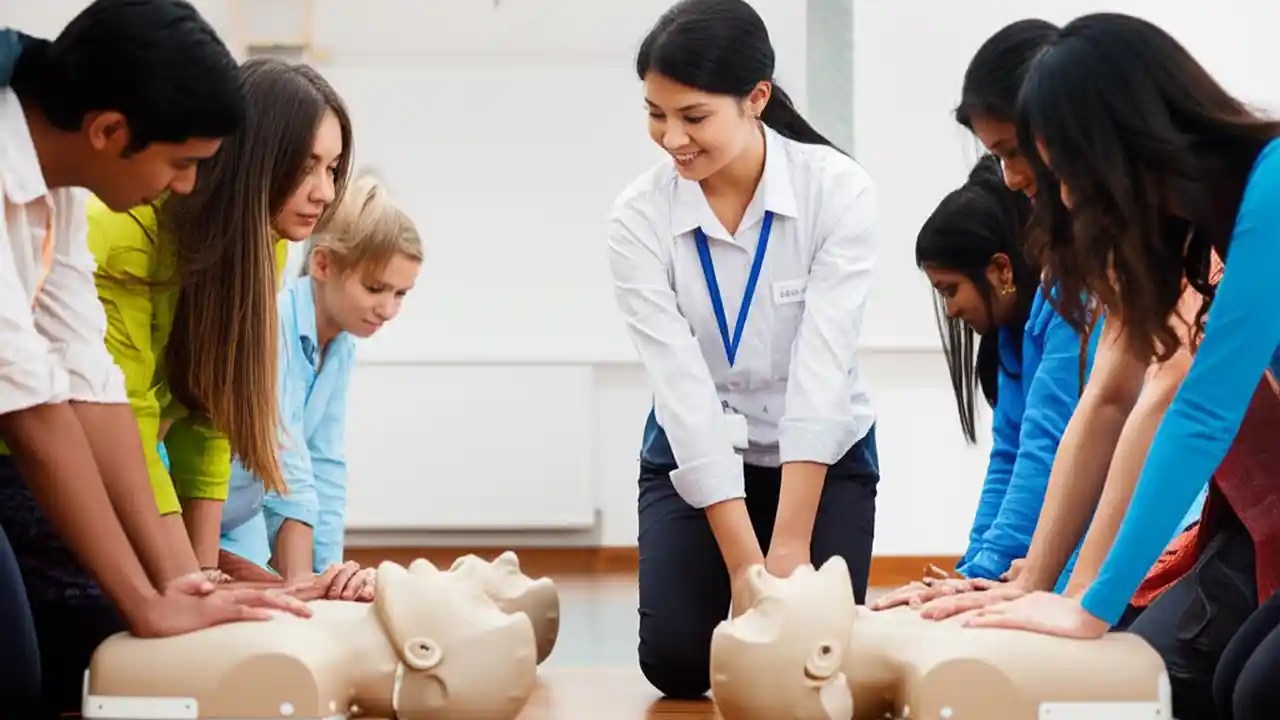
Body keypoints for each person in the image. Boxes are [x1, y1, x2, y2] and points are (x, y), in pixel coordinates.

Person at [0, 52, 351, 713]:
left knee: (203, 603)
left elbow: (211, 414)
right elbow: (115, 411)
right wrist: (180, 580)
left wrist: (199, 575)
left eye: (332, 169)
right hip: (40, 461)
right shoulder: (122, 219)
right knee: (103, 627)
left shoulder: (265, 243)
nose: (326, 191)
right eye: (307, 166)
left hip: (101, 453)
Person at [957, 14, 1280, 720]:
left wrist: (1090, 604)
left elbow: (1199, 409)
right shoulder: (1203, 224)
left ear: (1118, 140)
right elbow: (1118, 403)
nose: (1063, 196)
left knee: (1257, 690)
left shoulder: (1271, 187)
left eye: (1062, 169)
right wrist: (1055, 591)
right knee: (1233, 685)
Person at [608, 0, 881, 698]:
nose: (671, 138)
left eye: (693, 117)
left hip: (820, 456)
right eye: (655, 113)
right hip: (698, 452)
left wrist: (788, 549)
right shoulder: (639, 218)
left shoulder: (836, 191)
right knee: (677, 664)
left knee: (811, 658)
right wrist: (744, 568)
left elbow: (822, 373)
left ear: (757, 98)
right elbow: (682, 392)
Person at [902, 18, 1207, 628]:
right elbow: (1097, 408)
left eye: (1016, 153)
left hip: (1197, 521)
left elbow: (1171, 404)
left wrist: (1082, 594)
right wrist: (1019, 578)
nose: (1015, 177)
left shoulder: (1217, 209)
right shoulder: (1101, 253)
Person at [872, 155, 1099, 612]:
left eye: (950, 290)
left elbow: (1045, 449)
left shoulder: (1067, 308)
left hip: (1121, 539)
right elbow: (1009, 457)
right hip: (1069, 541)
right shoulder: (1010, 341)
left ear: (1001, 270)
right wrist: (972, 569)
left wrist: (986, 573)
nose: (950, 310)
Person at [218, 175, 424, 600]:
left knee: (289, 592)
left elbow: (325, 459)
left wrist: (328, 572)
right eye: (375, 288)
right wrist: (300, 581)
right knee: (275, 597)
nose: (388, 310)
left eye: (401, 293)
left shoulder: (342, 345)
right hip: (204, 511)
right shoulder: (273, 323)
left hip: (243, 517)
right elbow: (284, 453)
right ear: (323, 264)